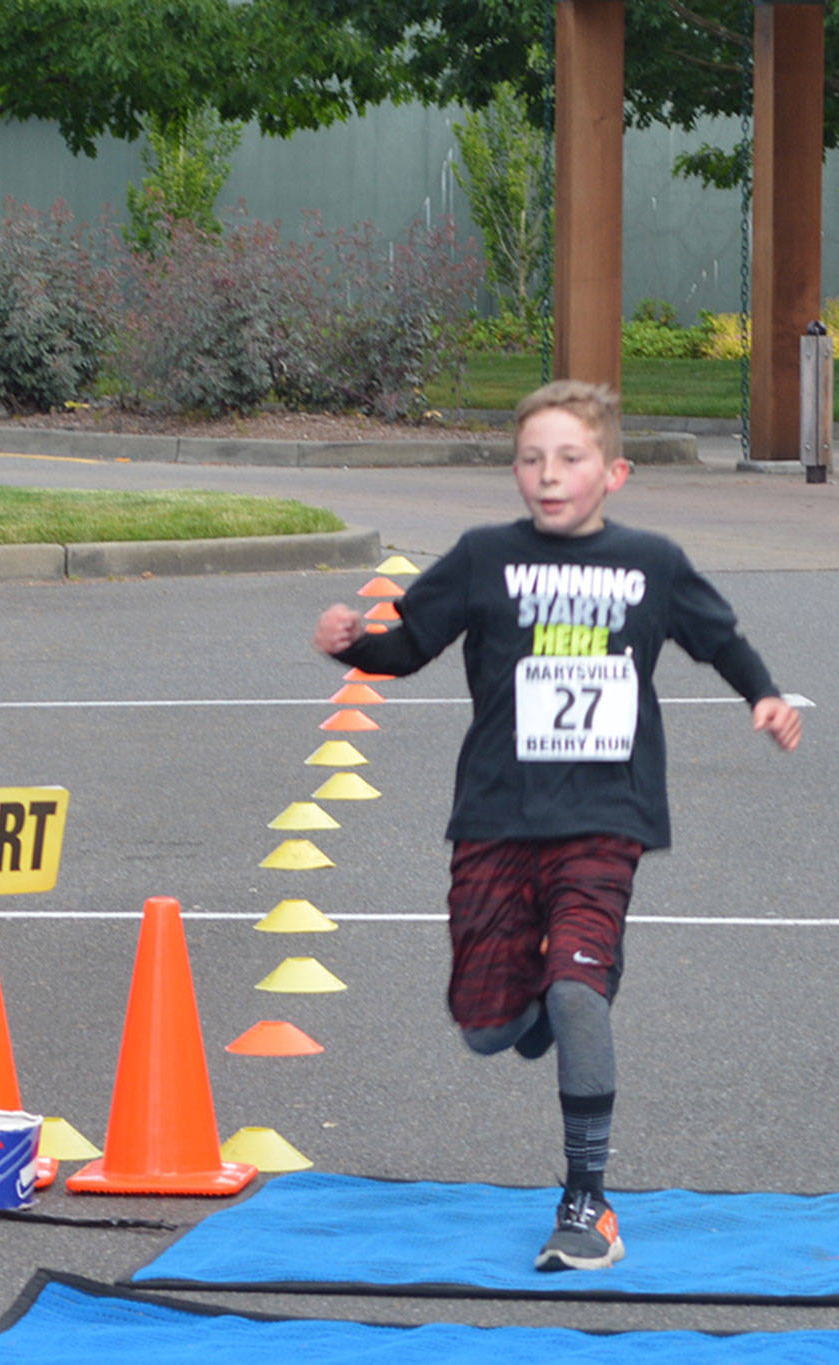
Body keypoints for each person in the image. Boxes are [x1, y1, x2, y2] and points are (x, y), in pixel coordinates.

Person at [312, 380, 801, 1272]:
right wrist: (352, 642)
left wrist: (763, 694)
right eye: (532, 458)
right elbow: (405, 647)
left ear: (612, 471)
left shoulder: (650, 561)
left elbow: (718, 637)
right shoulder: (482, 557)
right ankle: (529, 1005)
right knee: (485, 1028)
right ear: (514, 471)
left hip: (604, 816)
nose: (549, 474)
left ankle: (587, 1198)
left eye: (569, 457)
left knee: (581, 989)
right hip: (496, 813)